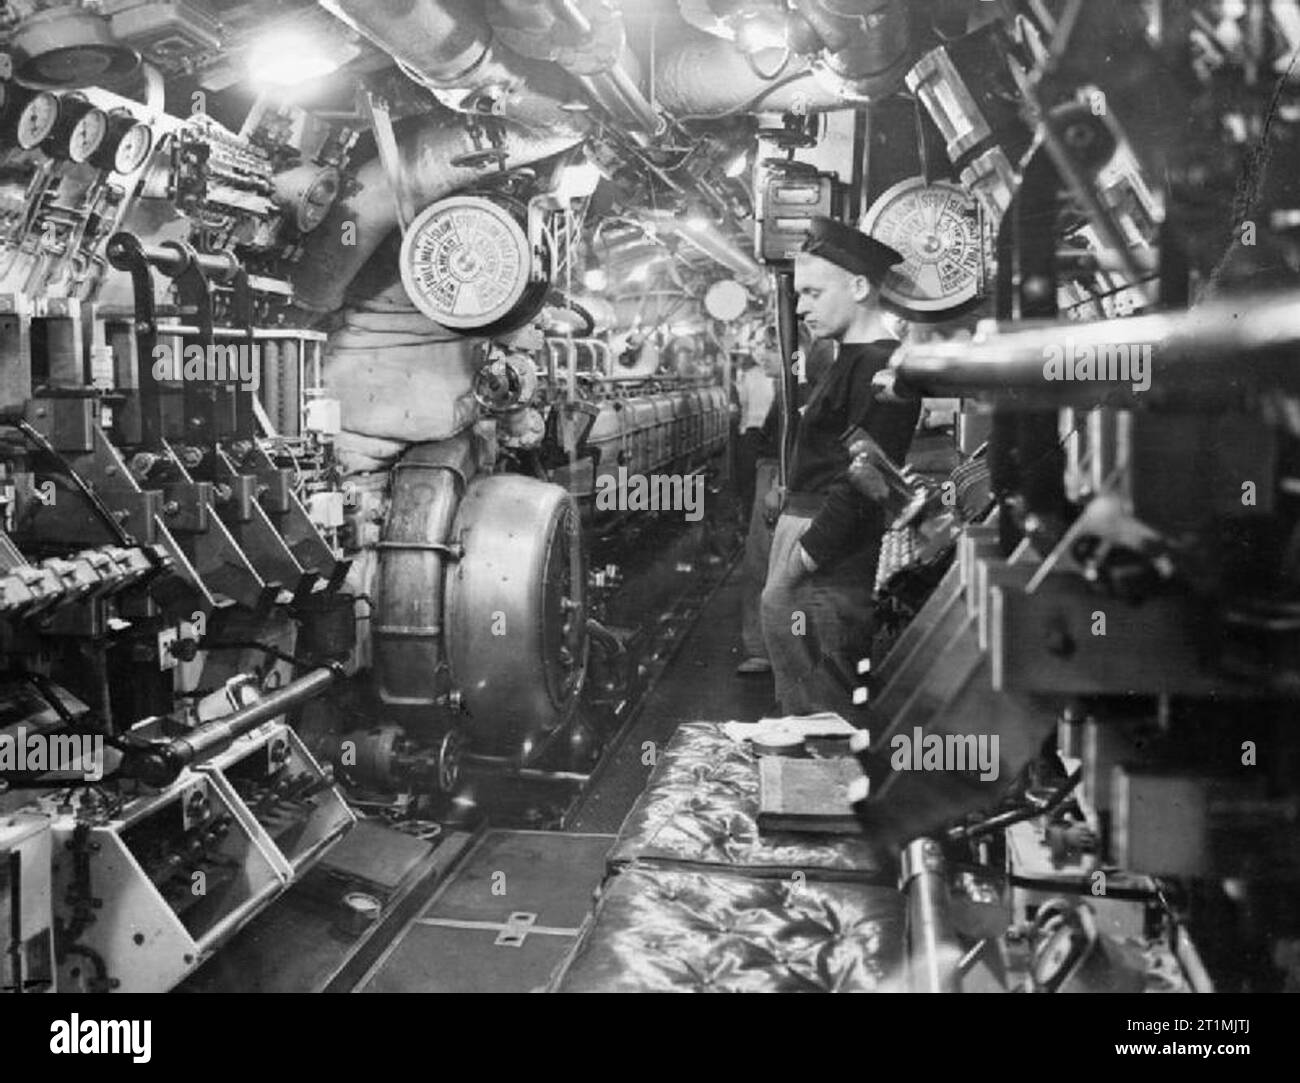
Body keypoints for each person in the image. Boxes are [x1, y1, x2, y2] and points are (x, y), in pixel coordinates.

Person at [759, 216, 921, 716]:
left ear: (857, 287)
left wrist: (804, 558)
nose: (802, 306)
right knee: (807, 690)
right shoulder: (849, 359)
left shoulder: (880, 365)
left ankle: (822, 789)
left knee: (821, 697)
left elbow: (866, 476)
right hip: (810, 534)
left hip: (825, 553)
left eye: (812, 292)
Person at [733, 349, 775, 521]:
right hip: (770, 432)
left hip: (751, 431)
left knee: (748, 476)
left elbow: (743, 404)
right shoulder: (776, 376)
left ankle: (747, 516)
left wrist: (741, 429)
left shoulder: (748, 376)